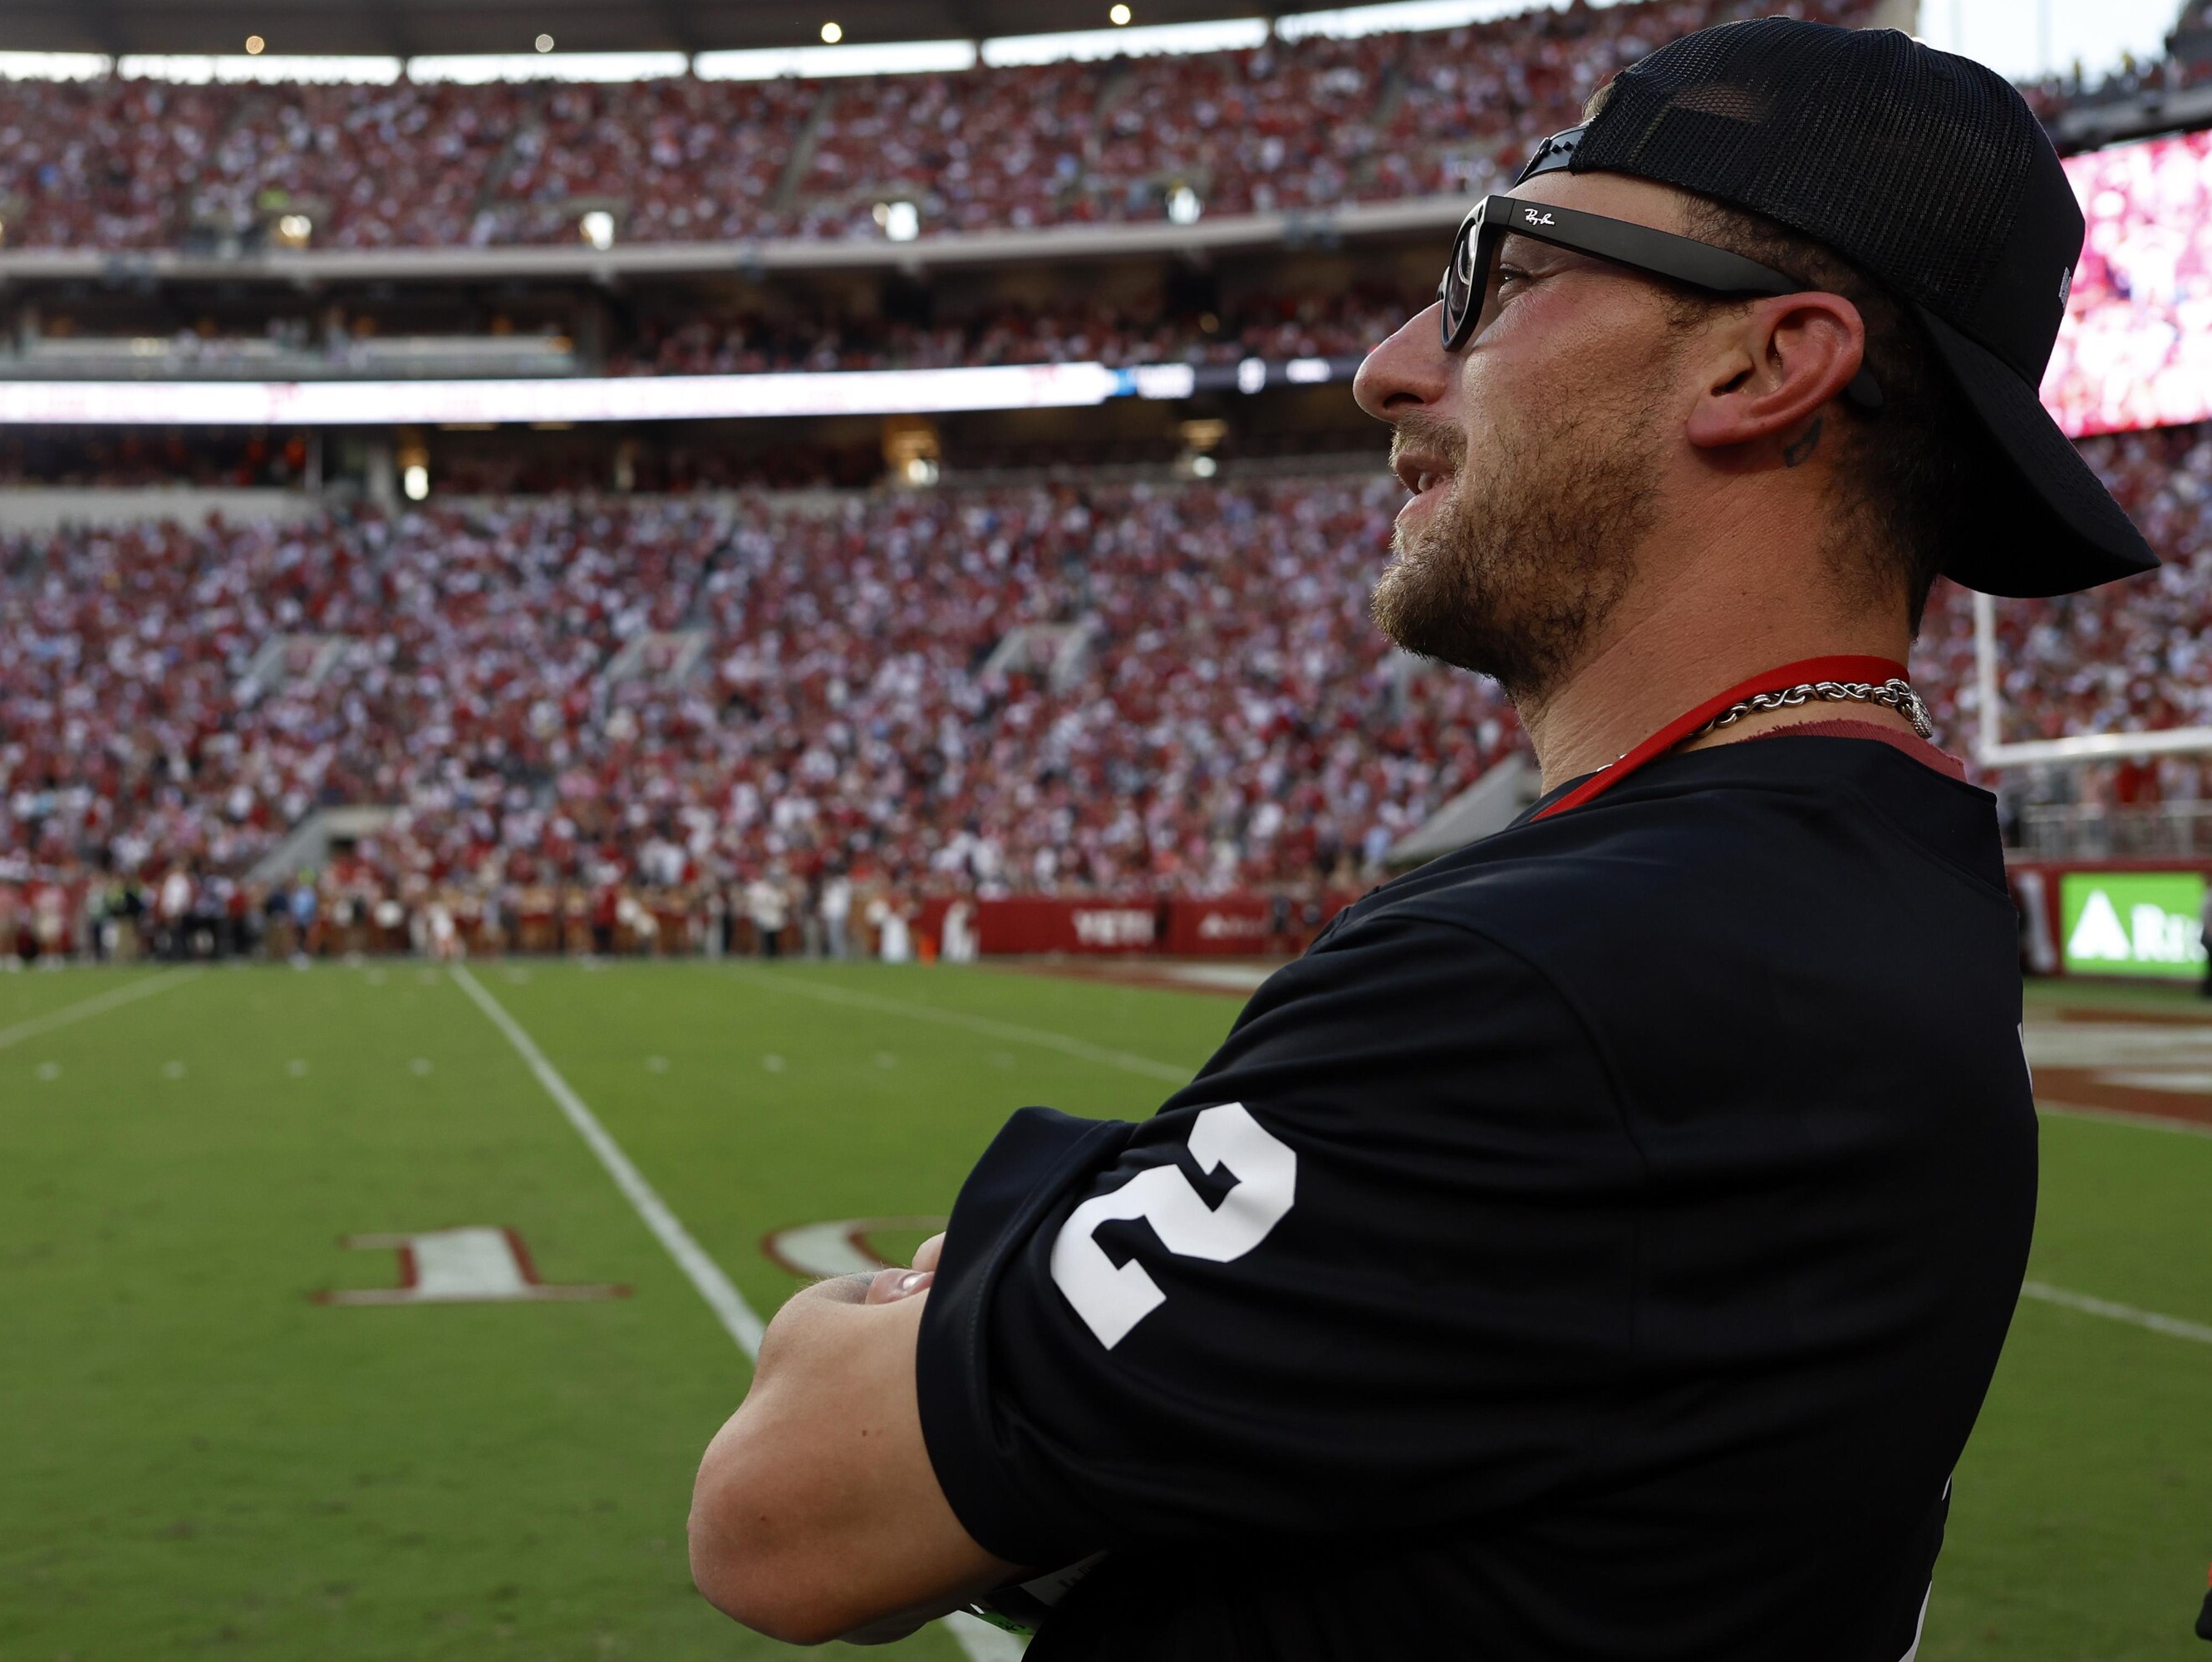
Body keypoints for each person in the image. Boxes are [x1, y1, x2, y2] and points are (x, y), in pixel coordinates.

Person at [688, 21, 2155, 1658]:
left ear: (1759, 366)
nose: (1391, 362)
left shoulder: (1553, 978)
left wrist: (963, 1292)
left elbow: (784, 1513)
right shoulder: (1868, 883)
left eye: (1499, 277)